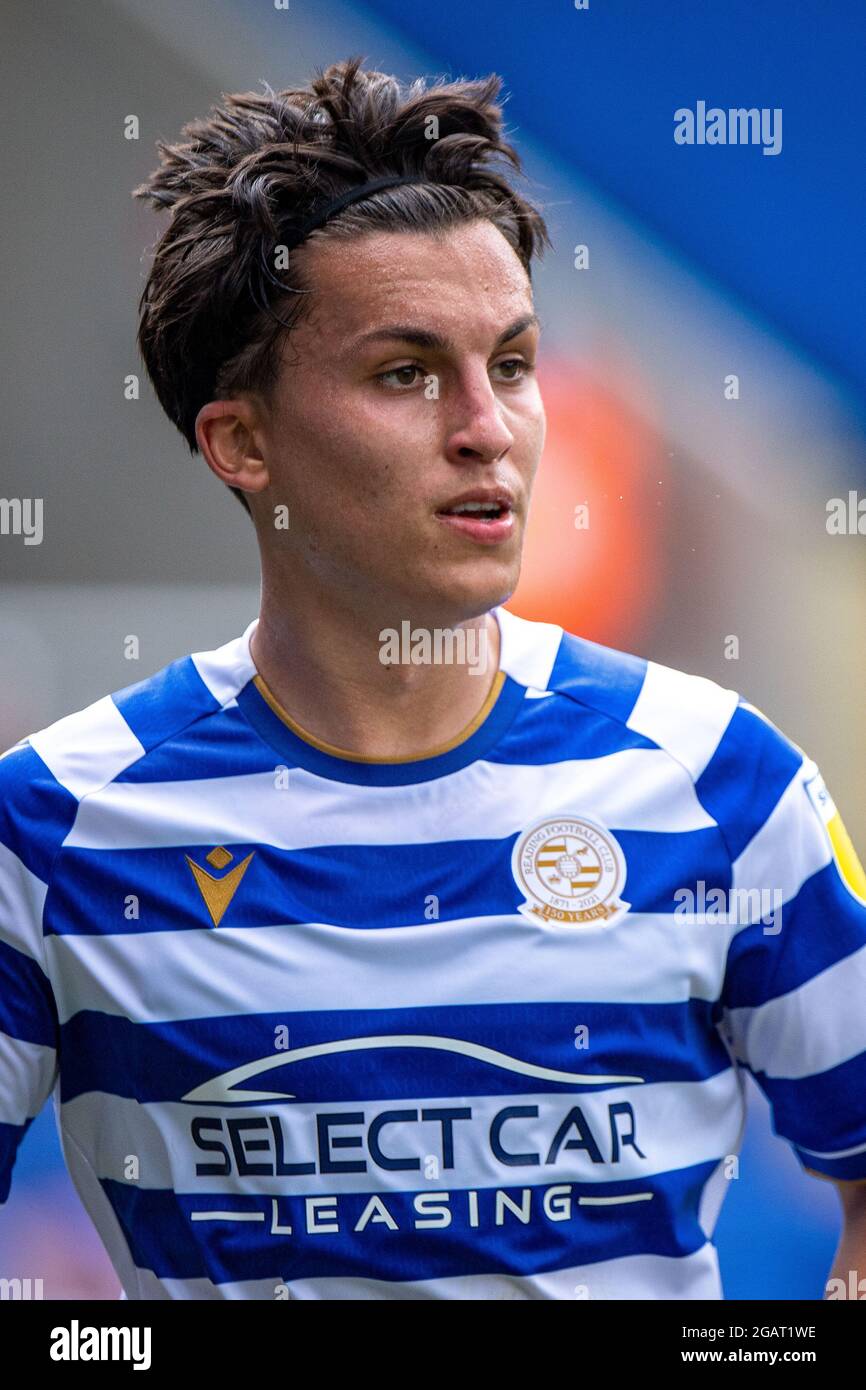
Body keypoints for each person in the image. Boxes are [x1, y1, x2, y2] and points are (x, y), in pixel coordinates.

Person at [1, 56, 864, 1302]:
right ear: (240, 441)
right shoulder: (54, 825)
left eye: (510, 365)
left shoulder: (719, 782)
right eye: (405, 373)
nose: (487, 427)